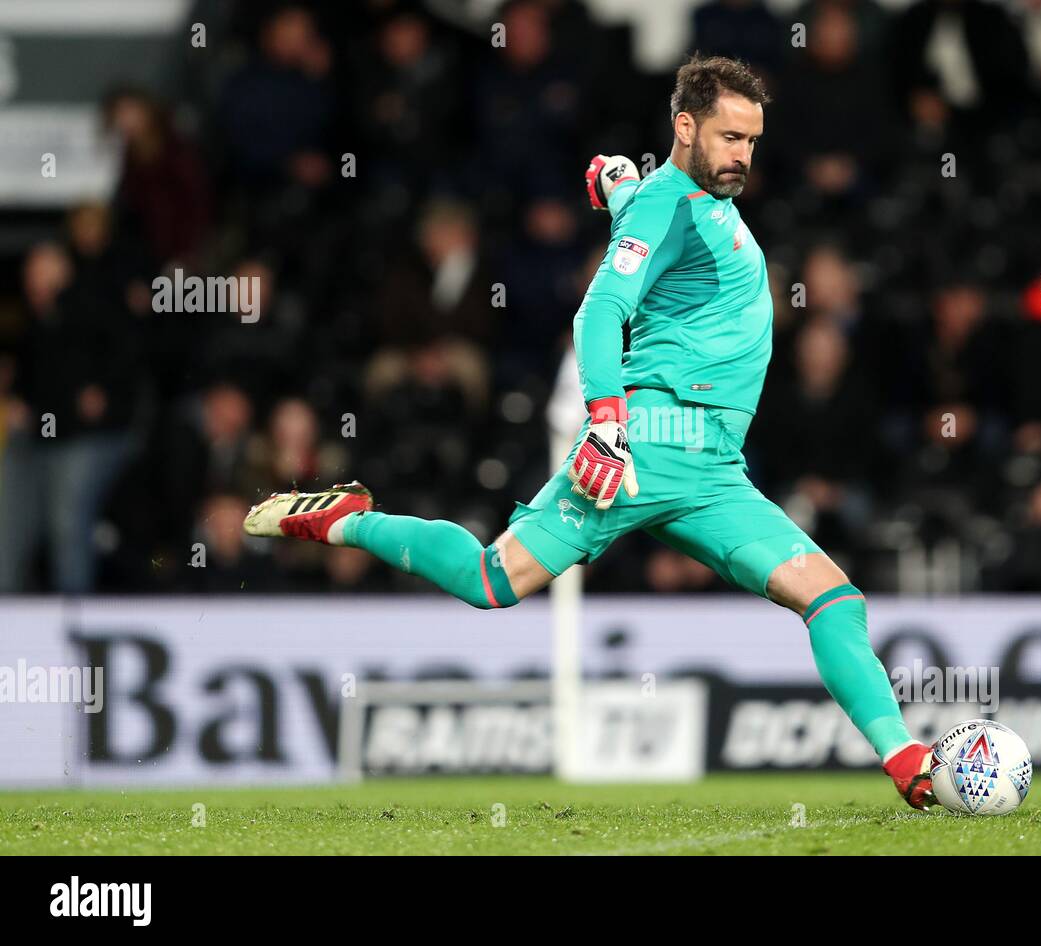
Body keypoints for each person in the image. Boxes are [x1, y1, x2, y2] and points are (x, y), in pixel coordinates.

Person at [243, 55, 936, 810]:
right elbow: (598, 312)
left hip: (713, 471)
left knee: (835, 600)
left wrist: (613, 184)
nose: (743, 155)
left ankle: (906, 762)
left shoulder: (677, 200)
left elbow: (650, 215)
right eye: (731, 137)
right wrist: (606, 422)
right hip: (646, 443)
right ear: (685, 126)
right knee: (491, 581)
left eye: (753, 141)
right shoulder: (665, 206)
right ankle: (348, 521)